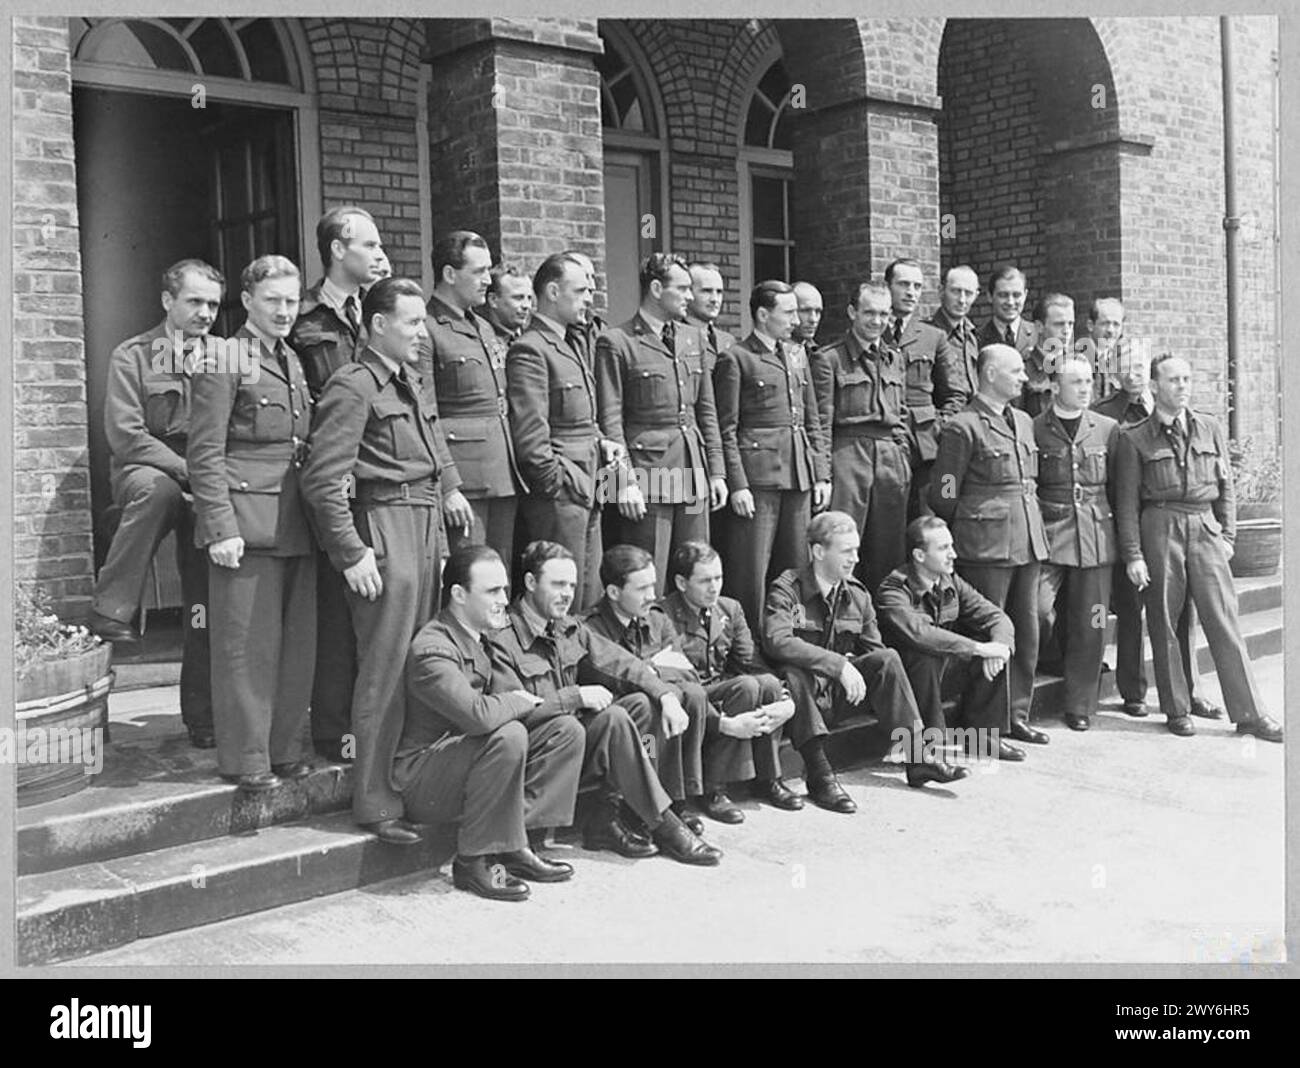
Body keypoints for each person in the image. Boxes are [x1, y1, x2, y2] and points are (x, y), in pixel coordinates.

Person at [301, 276, 470, 843]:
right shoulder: (354, 385)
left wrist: (449, 498)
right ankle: (374, 802)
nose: (422, 333)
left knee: (424, 663)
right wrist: (351, 552)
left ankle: (416, 785)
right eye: (412, 323)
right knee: (386, 668)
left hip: (423, 527)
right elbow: (323, 479)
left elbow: (432, 454)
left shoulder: (409, 379)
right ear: (377, 324)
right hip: (384, 529)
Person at [487, 541, 723, 864]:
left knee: (638, 704)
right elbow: (511, 715)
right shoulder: (503, 637)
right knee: (609, 718)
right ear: (530, 583)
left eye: (571, 585)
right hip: (535, 753)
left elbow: (623, 664)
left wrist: (666, 695)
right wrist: (576, 696)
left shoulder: (567, 627)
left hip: (571, 747)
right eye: (557, 584)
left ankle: (606, 820)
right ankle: (664, 824)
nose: (567, 593)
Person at [187, 255, 315, 792]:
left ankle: (284, 749)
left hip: (294, 521)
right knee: (244, 648)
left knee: (294, 645)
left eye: (291, 300)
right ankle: (247, 759)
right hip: (243, 522)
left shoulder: (292, 359)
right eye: (273, 301)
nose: (285, 311)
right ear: (247, 303)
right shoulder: (223, 357)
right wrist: (220, 527)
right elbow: (204, 453)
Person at [400, 545, 585, 901]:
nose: (504, 599)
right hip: (424, 778)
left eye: (503, 588)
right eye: (492, 591)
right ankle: (471, 862)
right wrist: (517, 700)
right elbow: (478, 715)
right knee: (510, 734)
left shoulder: (480, 636)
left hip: (464, 760)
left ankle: (513, 843)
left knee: (565, 730)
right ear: (458, 594)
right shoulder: (433, 648)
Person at [1113, 354, 1282, 742]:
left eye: (1187, 378)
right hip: (1159, 525)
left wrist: (1227, 536)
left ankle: (1250, 713)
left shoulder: (1210, 427)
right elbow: (1125, 504)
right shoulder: (1134, 437)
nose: (1183, 386)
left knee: (1224, 619)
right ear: (1155, 386)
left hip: (1204, 525)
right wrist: (1134, 555)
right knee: (1165, 620)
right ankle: (1176, 708)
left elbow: (1226, 488)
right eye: (1173, 380)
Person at [90, 258, 222, 748]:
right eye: (195, 301)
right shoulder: (134, 355)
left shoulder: (228, 356)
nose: (206, 313)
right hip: (146, 472)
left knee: (204, 604)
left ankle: (203, 718)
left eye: (213, 303)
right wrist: (187, 471)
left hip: (204, 483)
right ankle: (113, 606)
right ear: (168, 301)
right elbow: (126, 434)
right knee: (158, 488)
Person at [763, 511, 968, 814]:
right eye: (846, 551)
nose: (855, 559)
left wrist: (853, 669)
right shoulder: (788, 589)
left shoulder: (857, 595)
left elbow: (874, 651)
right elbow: (777, 641)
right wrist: (839, 664)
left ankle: (917, 757)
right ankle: (820, 775)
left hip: (840, 697)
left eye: (857, 550)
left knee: (887, 659)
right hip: (800, 704)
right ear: (818, 552)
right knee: (794, 673)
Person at [289, 206, 387, 763]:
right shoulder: (303, 318)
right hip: (330, 479)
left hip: (378, 473)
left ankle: (372, 723)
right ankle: (334, 731)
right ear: (336, 251)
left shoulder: (381, 311)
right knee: (332, 609)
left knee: (372, 609)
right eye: (369, 245)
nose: (378, 255)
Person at [930, 343, 1050, 748]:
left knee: (1027, 632)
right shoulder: (963, 425)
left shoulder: (1023, 420)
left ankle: (1015, 714)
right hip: (985, 544)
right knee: (991, 636)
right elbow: (944, 490)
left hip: (1028, 540)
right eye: (1015, 371)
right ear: (991, 374)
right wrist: (958, 534)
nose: (1023, 377)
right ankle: (982, 729)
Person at [1093, 340, 1218, 719]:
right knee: (1132, 612)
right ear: (1114, 371)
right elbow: (1121, 489)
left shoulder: (1168, 409)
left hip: (1179, 529)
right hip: (1139, 524)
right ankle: (1133, 689)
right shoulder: (1107, 415)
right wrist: (1131, 548)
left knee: (1184, 614)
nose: (1133, 372)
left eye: (1139, 365)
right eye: (1125, 366)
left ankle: (1189, 690)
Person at [595, 253, 727, 586]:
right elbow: (610, 419)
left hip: (693, 467)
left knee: (697, 567)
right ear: (656, 288)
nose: (690, 296)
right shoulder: (617, 341)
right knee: (647, 570)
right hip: (647, 472)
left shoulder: (692, 337)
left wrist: (717, 473)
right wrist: (622, 483)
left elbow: (705, 410)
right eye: (682, 288)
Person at [713, 280, 831, 628]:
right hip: (758, 479)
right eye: (789, 312)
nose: (797, 320)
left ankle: (792, 636)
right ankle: (746, 643)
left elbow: (813, 420)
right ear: (763, 315)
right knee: (752, 568)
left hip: (799, 476)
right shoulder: (736, 358)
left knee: (795, 566)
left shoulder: (797, 355)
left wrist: (820, 473)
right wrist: (738, 484)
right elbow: (727, 428)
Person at [507, 253, 620, 609]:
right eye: (582, 289)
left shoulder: (571, 342)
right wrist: (557, 483)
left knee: (587, 590)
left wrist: (603, 441)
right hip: (562, 492)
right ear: (553, 291)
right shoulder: (531, 349)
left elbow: (580, 418)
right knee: (559, 592)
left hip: (588, 482)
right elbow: (530, 436)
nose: (590, 297)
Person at [661, 540, 802, 813]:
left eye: (718, 578)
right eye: (704, 581)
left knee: (768, 684)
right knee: (746, 686)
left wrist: (786, 698)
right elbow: (678, 679)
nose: (714, 587)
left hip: (716, 691)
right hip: (688, 699)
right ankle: (713, 786)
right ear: (681, 582)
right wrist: (723, 722)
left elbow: (752, 661)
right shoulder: (663, 614)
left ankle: (768, 778)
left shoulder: (729, 609)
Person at [581, 545, 710, 828]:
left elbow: (685, 671)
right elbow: (611, 684)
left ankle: (678, 797)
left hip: (658, 713)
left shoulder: (656, 618)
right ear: (614, 592)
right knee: (646, 702)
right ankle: (637, 806)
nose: (652, 595)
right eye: (642, 589)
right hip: (623, 721)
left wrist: (651, 672)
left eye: (653, 585)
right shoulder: (591, 629)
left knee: (691, 694)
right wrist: (653, 673)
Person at [876, 517, 1022, 762]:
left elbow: (996, 617)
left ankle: (983, 736)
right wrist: (978, 649)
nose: (953, 554)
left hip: (940, 675)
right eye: (943, 548)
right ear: (919, 555)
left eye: (951, 546)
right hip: (903, 687)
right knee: (926, 655)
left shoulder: (950, 581)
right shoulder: (893, 590)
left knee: (992, 645)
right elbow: (920, 634)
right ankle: (928, 745)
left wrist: (1001, 648)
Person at [418, 230, 520, 560]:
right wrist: (448, 485)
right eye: (478, 272)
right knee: (468, 578)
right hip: (465, 482)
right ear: (449, 274)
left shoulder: (484, 326)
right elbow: (425, 412)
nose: (487, 281)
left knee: (498, 578)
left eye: (488, 271)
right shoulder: (427, 328)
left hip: (502, 474)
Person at [1032, 356, 1119, 730]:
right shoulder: (1034, 428)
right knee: (1037, 608)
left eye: (1088, 382)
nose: (1085, 389)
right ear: (1056, 388)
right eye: (1076, 382)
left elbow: (1120, 488)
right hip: (1051, 532)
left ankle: (1080, 703)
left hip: (1096, 536)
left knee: (1093, 620)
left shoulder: (1108, 428)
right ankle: (1053, 661)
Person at [810, 280, 912, 592]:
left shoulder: (895, 358)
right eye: (869, 313)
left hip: (890, 460)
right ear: (853, 311)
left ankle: (884, 625)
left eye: (884, 314)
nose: (877, 321)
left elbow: (902, 414)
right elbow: (821, 423)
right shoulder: (829, 359)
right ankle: (839, 623)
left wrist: (903, 457)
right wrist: (822, 475)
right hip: (848, 455)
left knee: (889, 550)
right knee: (842, 544)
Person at [884, 258, 952, 519]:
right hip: (887, 437)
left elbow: (953, 393)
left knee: (926, 517)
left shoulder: (933, 336)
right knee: (888, 520)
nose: (911, 292)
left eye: (917, 286)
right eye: (903, 284)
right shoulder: (873, 332)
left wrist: (940, 424)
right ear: (888, 286)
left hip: (925, 443)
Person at [931, 264, 983, 419]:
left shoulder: (974, 336)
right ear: (941, 291)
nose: (962, 300)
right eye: (955, 291)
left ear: (976, 296)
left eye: (968, 293)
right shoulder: (928, 334)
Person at [1017, 293, 1075, 417]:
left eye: (1070, 324)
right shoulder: (1022, 367)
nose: (1067, 331)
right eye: (1059, 324)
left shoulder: (1078, 365)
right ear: (1039, 327)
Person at [977, 264, 1038, 359]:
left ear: (1025, 295)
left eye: (1016, 295)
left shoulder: (1040, 334)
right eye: (1003, 295)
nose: (1010, 302)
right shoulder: (976, 339)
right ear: (989, 296)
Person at [686, 261, 735, 367]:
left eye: (719, 292)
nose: (714, 299)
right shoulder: (676, 337)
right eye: (706, 291)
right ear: (688, 293)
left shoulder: (728, 342)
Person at [482, 264, 533, 343]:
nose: (526, 306)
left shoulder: (533, 338)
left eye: (529, 298)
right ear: (493, 300)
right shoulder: (480, 338)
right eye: (518, 298)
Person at [792, 281, 824, 360]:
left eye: (818, 311)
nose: (813, 319)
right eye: (805, 311)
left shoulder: (820, 355)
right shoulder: (773, 353)